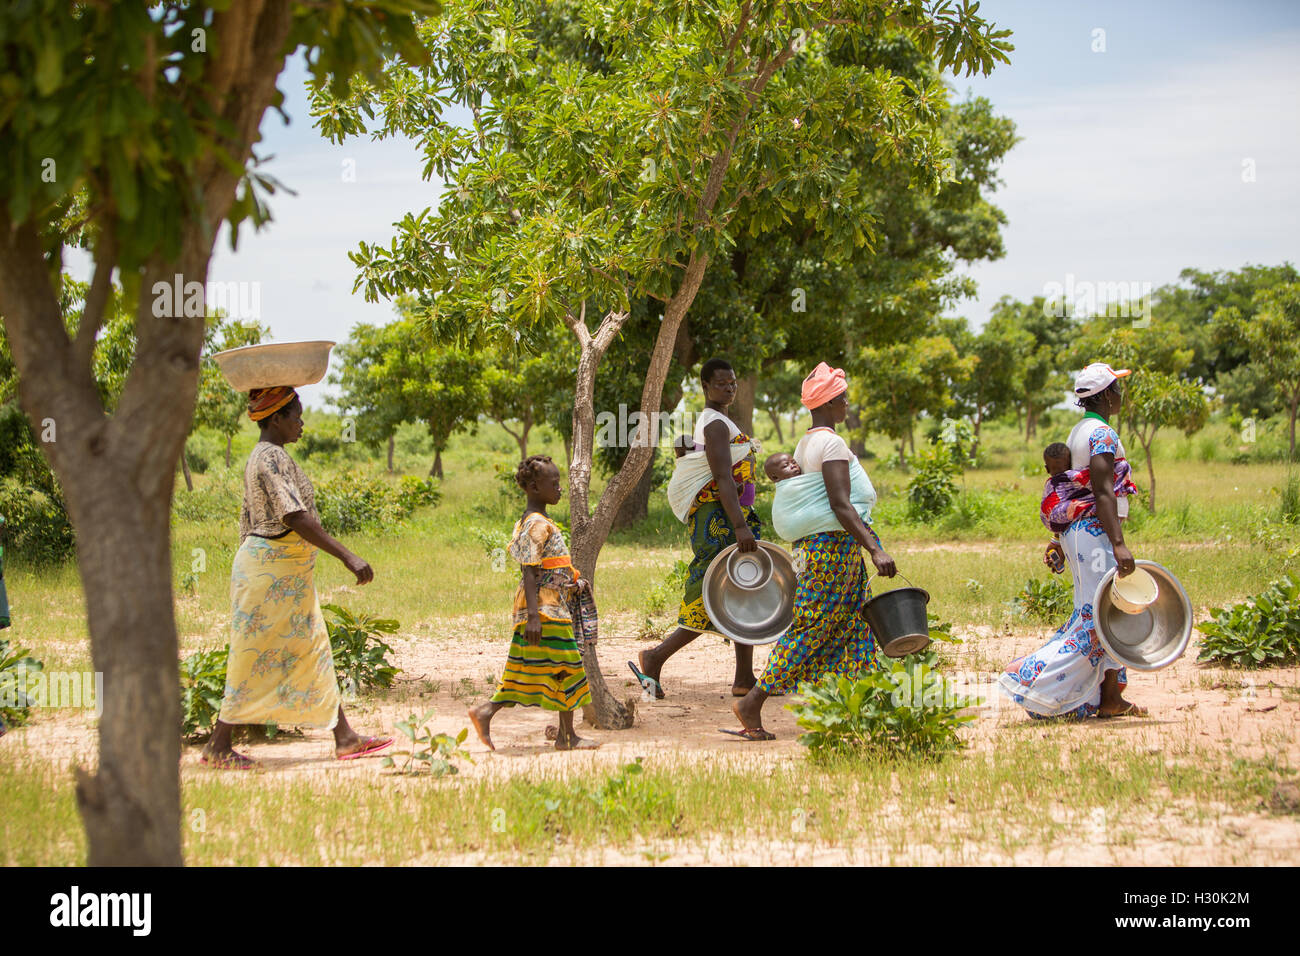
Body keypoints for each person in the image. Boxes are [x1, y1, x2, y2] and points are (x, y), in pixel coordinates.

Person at [202, 387, 393, 769]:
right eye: (296, 416)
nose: (302, 424)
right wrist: (347, 556)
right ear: (276, 419)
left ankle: (346, 737)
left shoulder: (269, 456)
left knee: (313, 647)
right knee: (250, 654)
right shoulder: (269, 457)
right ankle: (218, 745)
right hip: (270, 573)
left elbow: (249, 519)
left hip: (282, 572)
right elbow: (293, 516)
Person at [729, 362, 897, 740]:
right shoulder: (831, 443)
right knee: (813, 625)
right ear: (830, 403)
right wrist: (874, 549)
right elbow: (840, 504)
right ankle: (753, 700)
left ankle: (863, 705)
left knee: (856, 624)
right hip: (831, 550)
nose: (847, 406)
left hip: (823, 548)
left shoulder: (806, 443)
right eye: (843, 399)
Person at [999, 363, 1148, 719]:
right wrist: (1119, 544)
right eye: (1116, 388)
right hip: (1095, 534)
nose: (1120, 394)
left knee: (1103, 613)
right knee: (1095, 617)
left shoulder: (1080, 431)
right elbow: (1102, 492)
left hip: (1083, 535)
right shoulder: (1102, 436)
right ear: (1105, 395)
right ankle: (1031, 675)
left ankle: (1110, 697)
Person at [631, 358, 763, 699]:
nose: (729, 388)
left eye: (733, 383)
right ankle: (655, 656)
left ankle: (744, 677)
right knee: (716, 591)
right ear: (705, 387)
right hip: (719, 519)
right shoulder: (716, 424)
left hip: (726, 515)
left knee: (741, 589)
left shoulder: (717, 422)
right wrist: (739, 527)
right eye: (721, 384)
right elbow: (721, 478)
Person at [468, 455, 599, 751]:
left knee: (531, 667)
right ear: (533, 488)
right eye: (553, 484)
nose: (560, 488)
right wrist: (534, 617)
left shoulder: (537, 521)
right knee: (567, 666)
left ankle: (489, 713)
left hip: (550, 605)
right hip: (545, 607)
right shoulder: (536, 524)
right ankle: (566, 736)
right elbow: (529, 570)